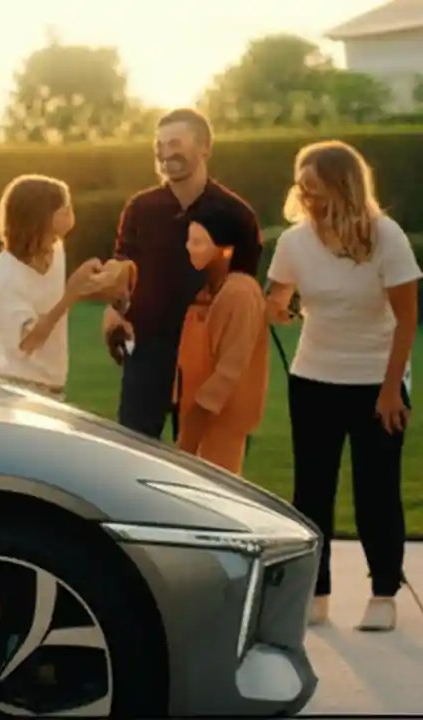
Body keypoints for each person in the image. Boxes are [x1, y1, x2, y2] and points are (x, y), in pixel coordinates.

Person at [265, 140, 420, 632]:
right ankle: (317, 593)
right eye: (303, 190)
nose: (308, 200)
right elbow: (278, 300)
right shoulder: (295, 242)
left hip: (377, 379)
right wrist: (277, 308)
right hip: (313, 377)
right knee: (312, 489)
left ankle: (383, 594)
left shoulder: (386, 237)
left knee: (376, 490)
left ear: (345, 188)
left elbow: (407, 320)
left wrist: (391, 390)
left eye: (317, 191)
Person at [102, 108, 262, 439]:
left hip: (207, 355)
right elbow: (122, 267)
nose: (164, 152)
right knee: (133, 453)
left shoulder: (236, 215)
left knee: (207, 468)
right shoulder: (140, 208)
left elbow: (244, 293)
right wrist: (113, 310)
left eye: (175, 143)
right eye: (158, 145)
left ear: (204, 147)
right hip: (145, 350)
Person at [0, 174, 121, 401]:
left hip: (51, 387)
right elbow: (28, 343)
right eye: (64, 208)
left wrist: (98, 282)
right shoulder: (7, 273)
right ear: (41, 217)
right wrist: (71, 294)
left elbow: (58, 299)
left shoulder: (56, 248)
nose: (71, 212)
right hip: (16, 389)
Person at [173, 200, 268, 475]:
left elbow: (228, 372)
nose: (189, 248)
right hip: (196, 415)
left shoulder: (239, 293)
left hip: (219, 420)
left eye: (198, 242)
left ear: (226, 250)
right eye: (189, 240)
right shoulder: (207, 291)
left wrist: (189, 437)